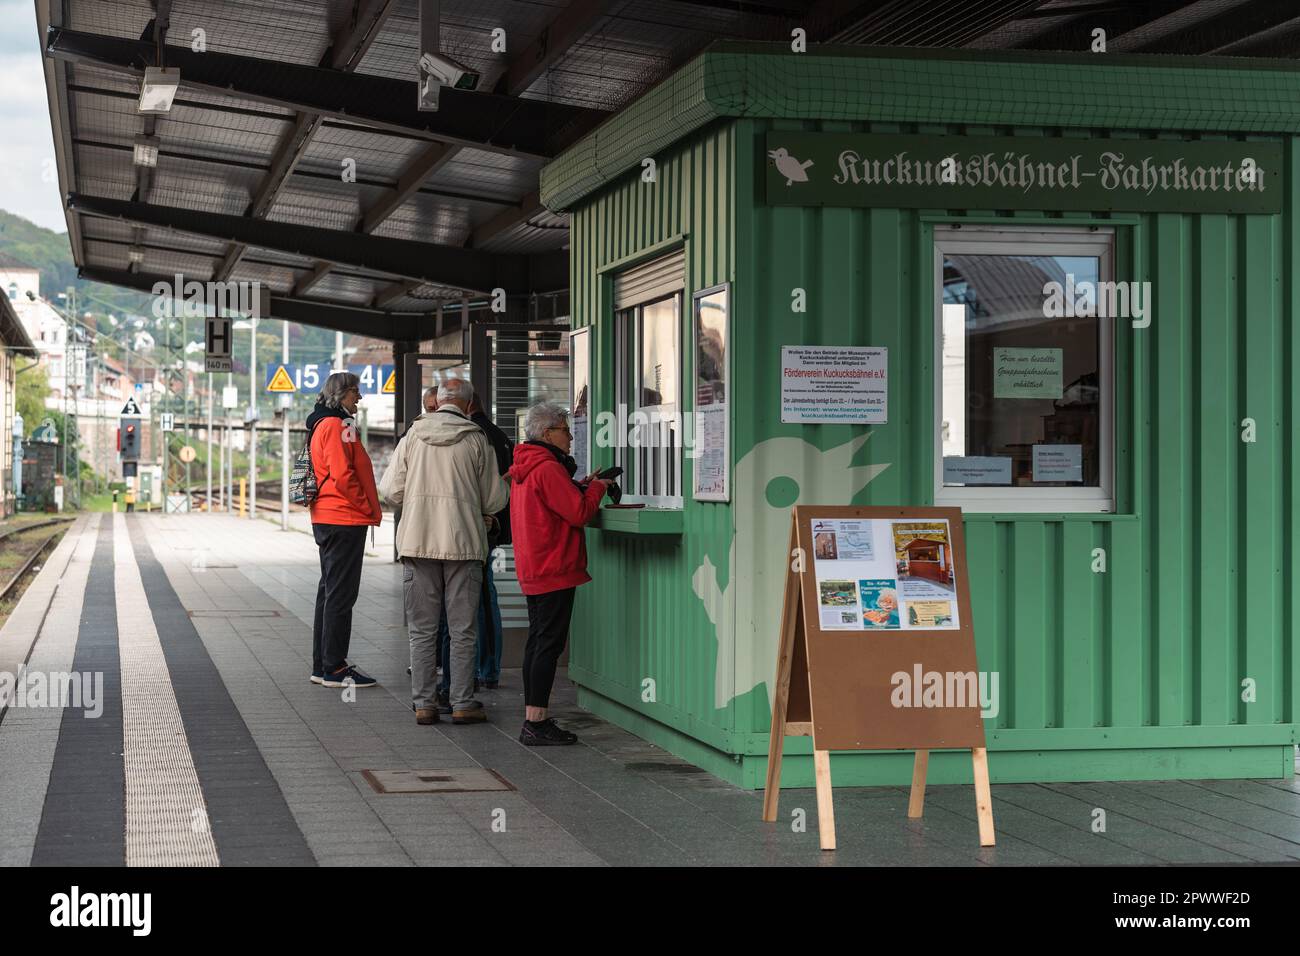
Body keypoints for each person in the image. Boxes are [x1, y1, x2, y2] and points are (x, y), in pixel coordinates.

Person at [379, 377, 508, 726]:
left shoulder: (412, 438)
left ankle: (424, 705)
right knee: (462, 628)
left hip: (418, 543)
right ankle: (463, 702)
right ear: (467, 405)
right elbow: (495, 499)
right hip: (463, 544)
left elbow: (389, 491)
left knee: (422, 629)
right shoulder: (477, 439)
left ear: (437, 401)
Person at [508, 401, 608, 745]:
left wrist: (581, 484)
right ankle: (536, 723)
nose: (570, 437)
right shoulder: (548, 468)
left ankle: (533, 719)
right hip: (554, 566)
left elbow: (555, 504)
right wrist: (599, 488)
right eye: (566, 430)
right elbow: (579, 513)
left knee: (538, 642)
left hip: (535, 565)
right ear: (548, 433)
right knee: (547, 644)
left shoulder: (528, 465)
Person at [308, 372, 381, 688]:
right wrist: (365, 506)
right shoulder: (339, 426)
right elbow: (343, 475)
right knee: (341, 594)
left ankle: (322, 664)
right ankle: (335, 668)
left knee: (329, 591)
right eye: (355, 392)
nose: (359, 398)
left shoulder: (322, 423)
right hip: (343, 518)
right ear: (341, 394)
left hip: (328, 516)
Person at [468, 392, 512, 689]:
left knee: (482, 598)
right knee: (482, 597)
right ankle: (485, 667)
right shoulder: (497, 434)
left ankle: (485, 668)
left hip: (478, 529)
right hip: (487, 527)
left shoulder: (476, 435)